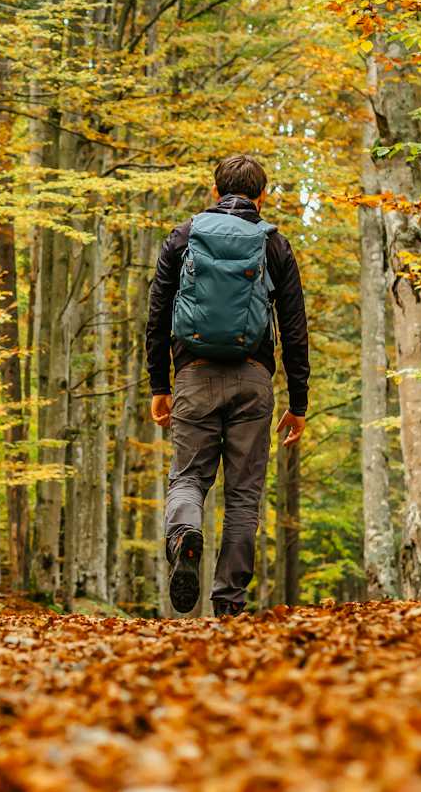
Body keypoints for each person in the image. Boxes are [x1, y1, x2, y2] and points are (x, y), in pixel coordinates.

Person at [145, 154, 310, 616]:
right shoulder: (273, 244)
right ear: (262, 197)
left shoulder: (183, 237)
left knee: (188, 478)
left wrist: (161, 384)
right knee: (243, 494)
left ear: (214, 192)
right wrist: (299, 401)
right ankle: (229, 603)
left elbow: (157, 317)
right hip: (253, 380)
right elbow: (294, 328)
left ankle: (184, 536)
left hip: (193, 376)